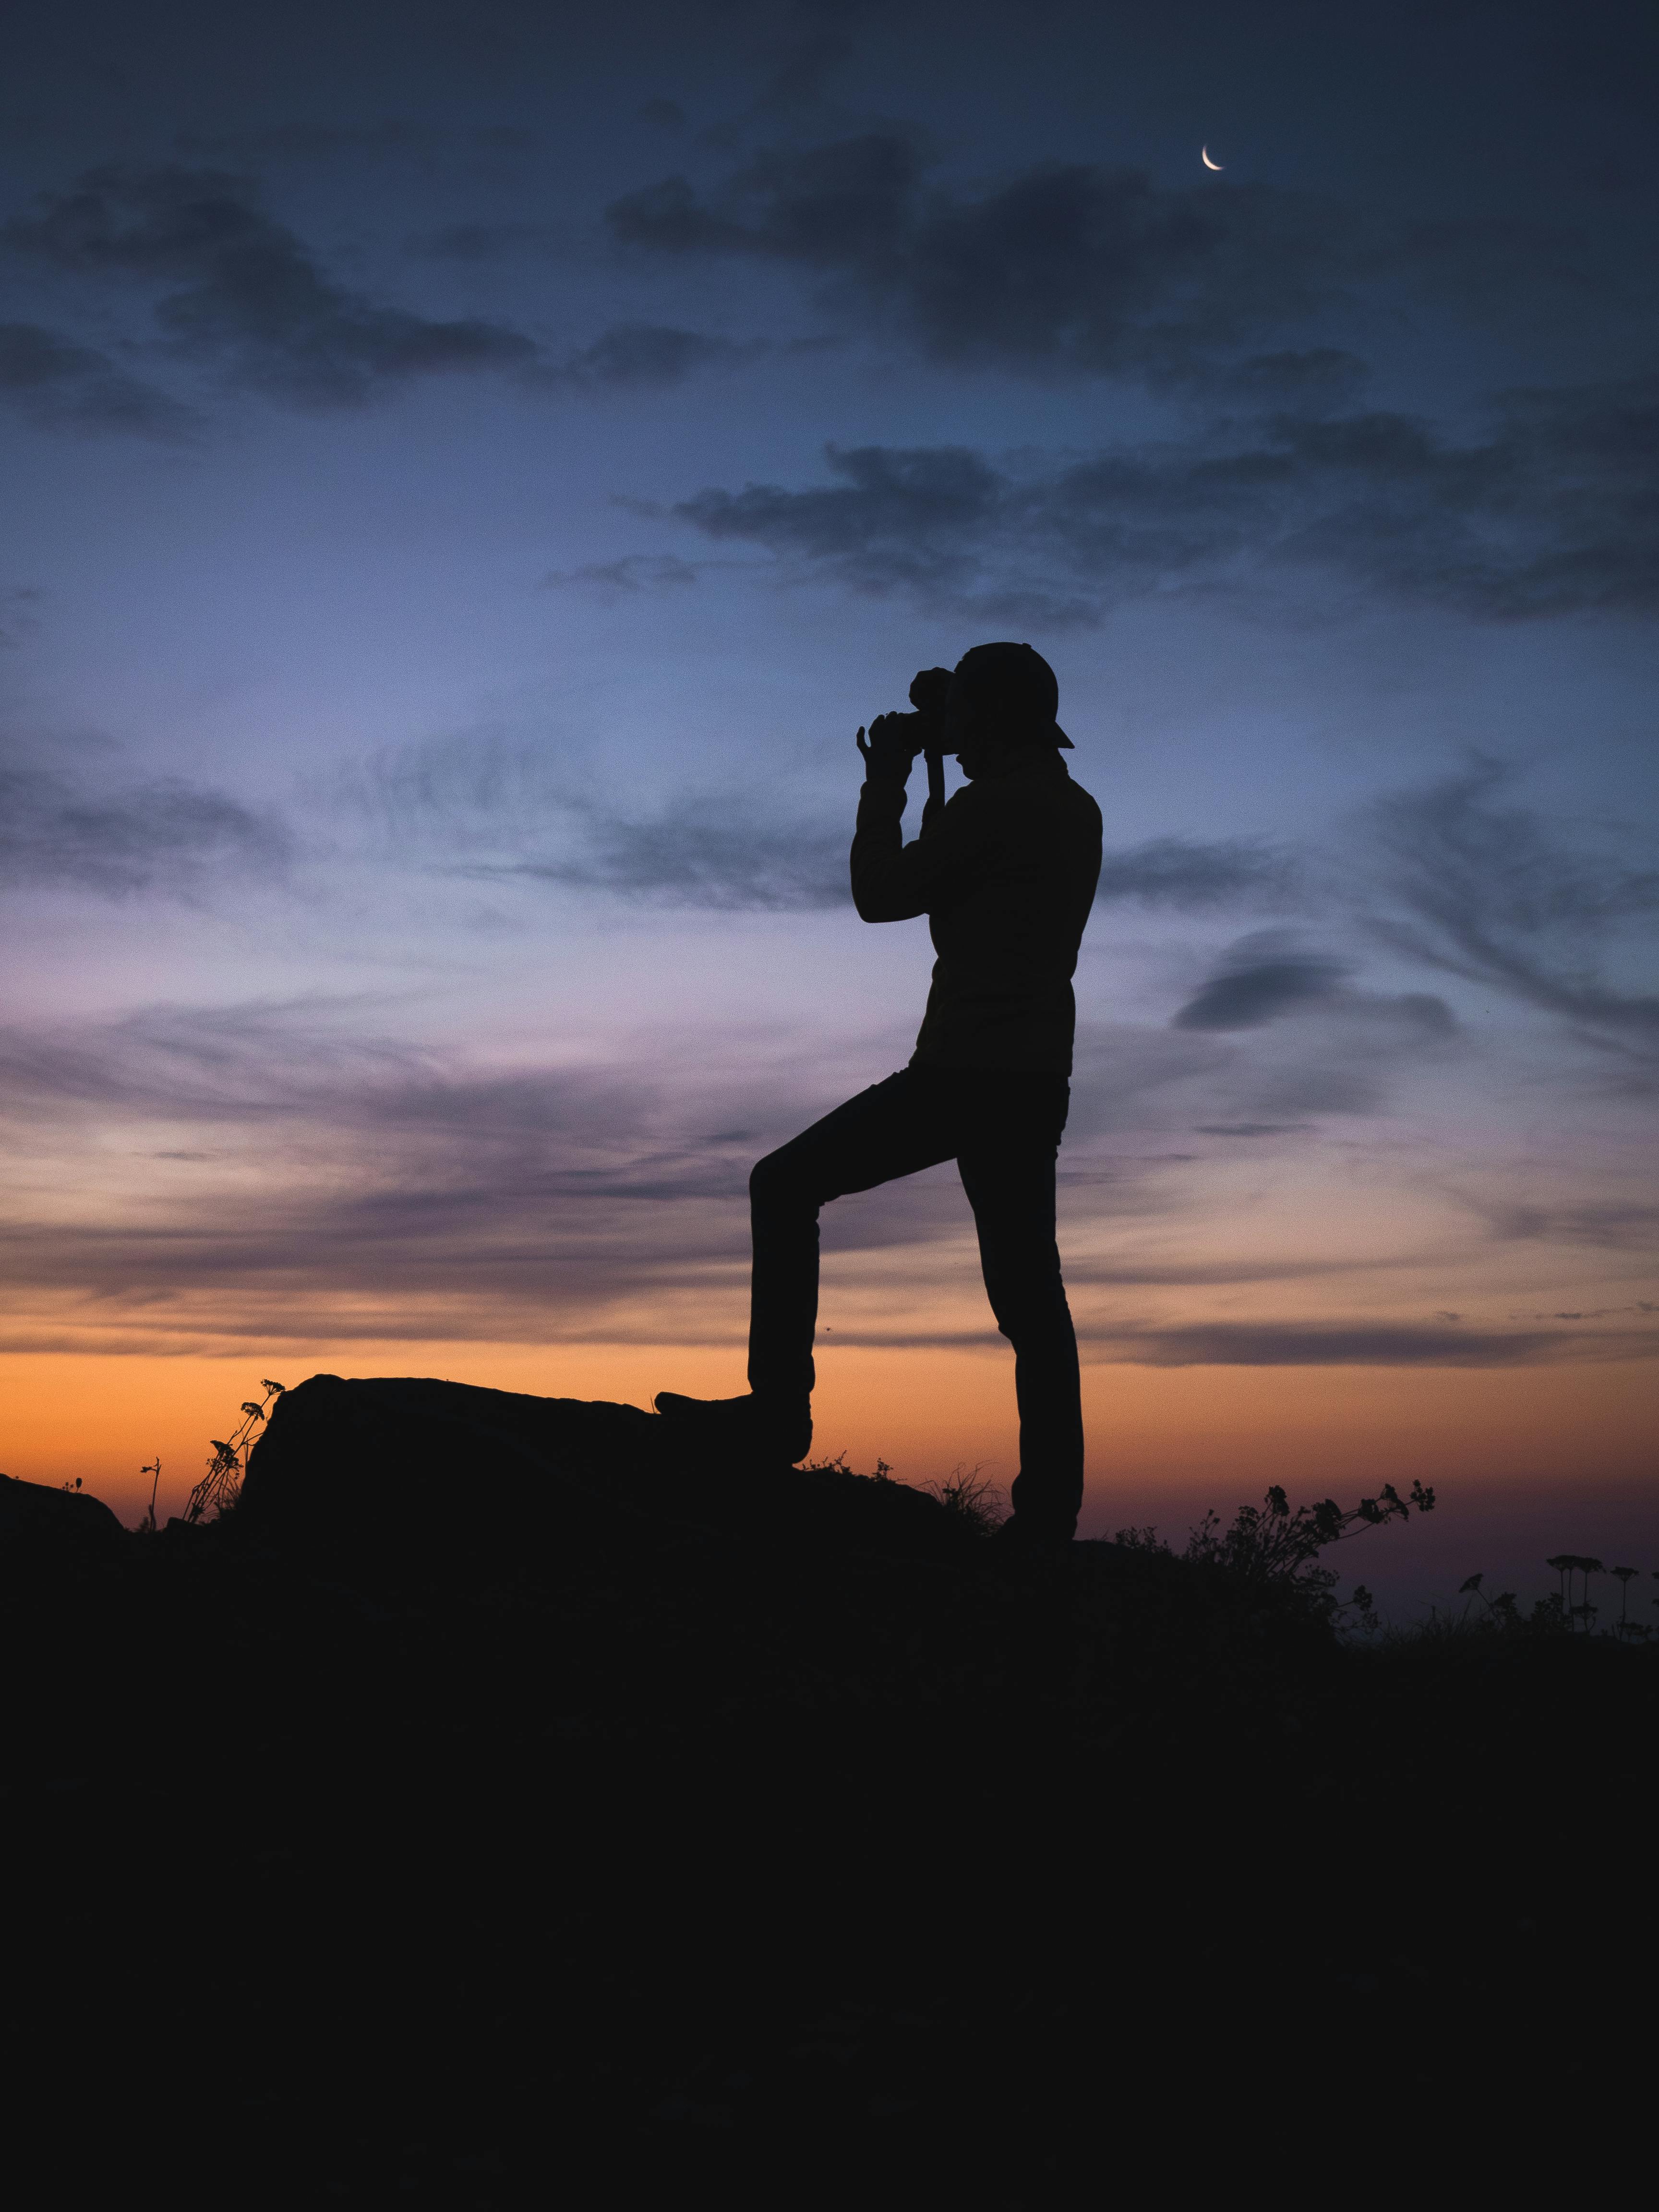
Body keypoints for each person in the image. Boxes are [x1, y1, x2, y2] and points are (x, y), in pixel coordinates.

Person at [655, 642, 1103, 1546]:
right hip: (1033, 1080)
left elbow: (879, 895)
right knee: (1029, 1298)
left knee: (783, 1185)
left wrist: (889, 781)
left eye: (968, 723)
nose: (960, 740)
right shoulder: (1072, 807)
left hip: (962, 1075)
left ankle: (779, 1414)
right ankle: (1049, 1511)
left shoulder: (994, 807)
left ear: (993, 723)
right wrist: (947, 745)